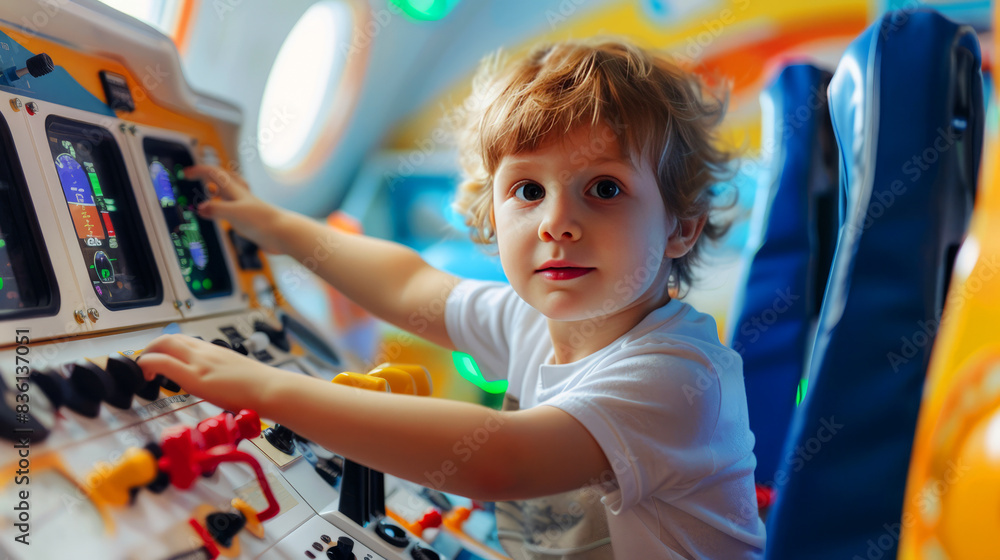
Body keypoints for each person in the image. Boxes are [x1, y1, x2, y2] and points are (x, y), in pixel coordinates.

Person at [139, 38, 766, 559]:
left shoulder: (677, 377)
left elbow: (502, 459)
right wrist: (279, 227)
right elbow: (410, 285)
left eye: (603, 188)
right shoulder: (534, 320)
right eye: (526, 190)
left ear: (681, 227)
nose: (556, 222)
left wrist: (265, 389)